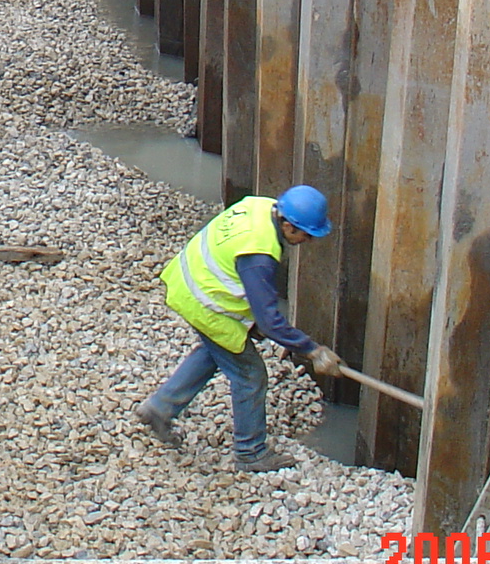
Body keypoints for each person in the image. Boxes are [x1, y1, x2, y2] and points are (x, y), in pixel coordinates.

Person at [135, 184, 343, 474]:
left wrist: (257, 325)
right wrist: (312, 350)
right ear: (287, 224)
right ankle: (250, 452)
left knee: (214, 352)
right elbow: (270, 321)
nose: (307, 239)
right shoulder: (260, 255)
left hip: (190, 280)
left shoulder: (260, 206)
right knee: (250, 374)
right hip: (205, 302)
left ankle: (158, 409)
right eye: (306, 233)